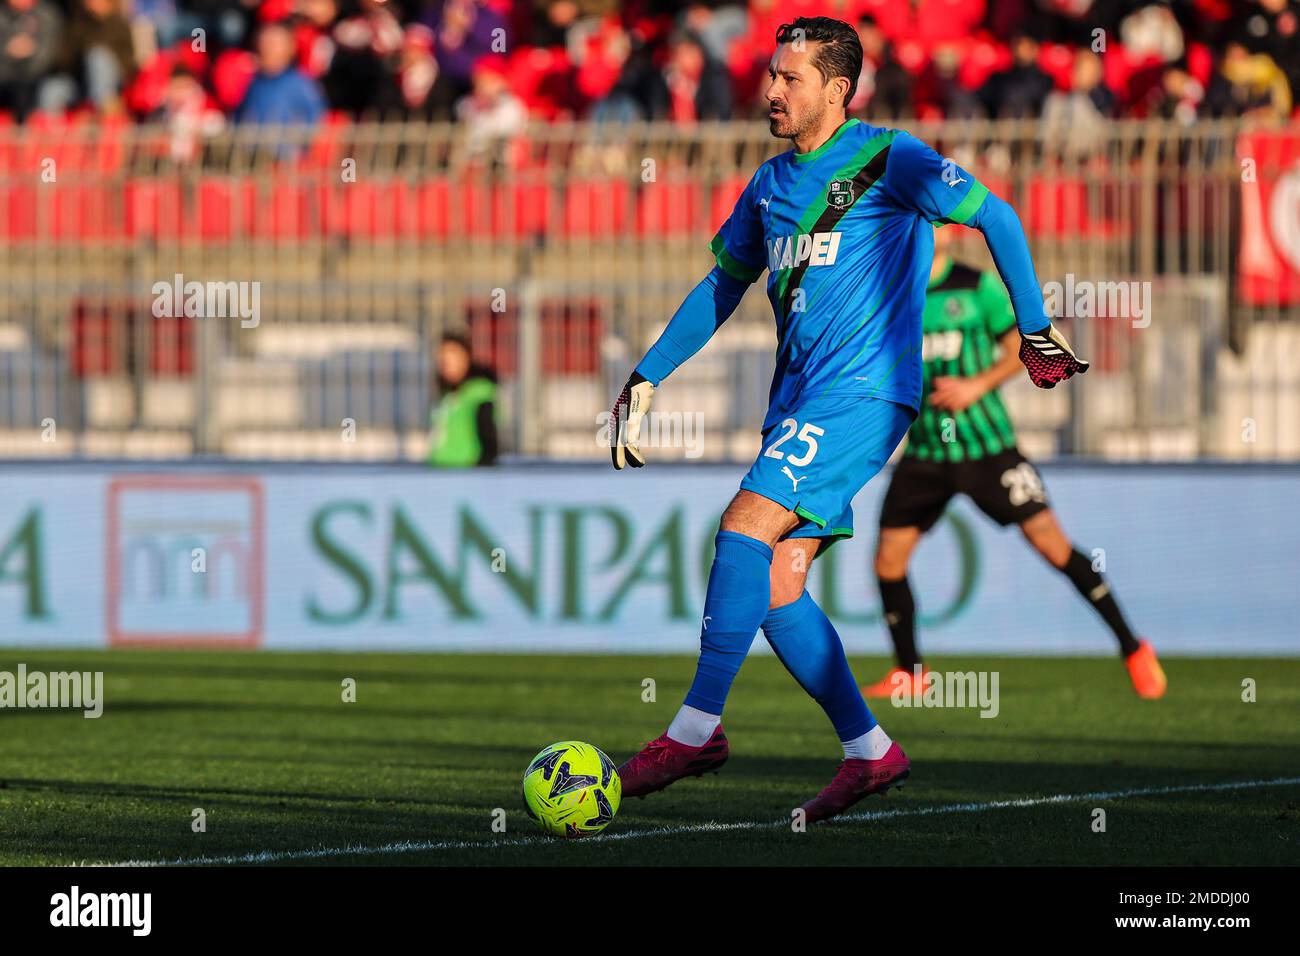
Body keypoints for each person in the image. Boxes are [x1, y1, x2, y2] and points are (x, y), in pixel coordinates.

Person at [608, 16, 1088, 823]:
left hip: (867, 392)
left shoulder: (890, 157)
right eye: (770, 75)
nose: (770, 91)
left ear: (836, 88)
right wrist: (648, 373)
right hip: (798, 397)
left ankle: (695, 730)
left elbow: (997, 217)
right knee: (776, 580)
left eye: (788, 79)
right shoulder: (767, 185)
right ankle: (870, 753)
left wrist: (1034, 327)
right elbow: (723, 284)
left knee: (743, 524)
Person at [862, 225, 1167, 701]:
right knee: (888, 560)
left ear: (947, 234)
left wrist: (976, 386)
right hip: (924, 453)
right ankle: (911, 673)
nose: (927, 229)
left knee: (1051, 545)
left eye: (935, 222)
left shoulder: (977, 286)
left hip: (989, 448)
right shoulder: (892, 287)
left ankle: (1133, 647)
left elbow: (1021, 350)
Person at [428, 332, 499, 468]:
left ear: (466, 357)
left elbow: (489, 440)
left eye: (452, 355)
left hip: (467, 473)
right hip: (444, 471)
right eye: (443, 357)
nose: (446, 362)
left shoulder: (479, 392)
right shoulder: (447, 394)